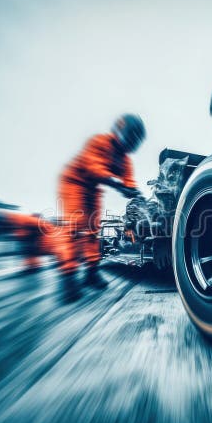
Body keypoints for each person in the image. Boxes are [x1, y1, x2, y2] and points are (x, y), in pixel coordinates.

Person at [55, 114, 144, 301]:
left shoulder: (125, 160)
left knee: (93, 230)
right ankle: (68, 276)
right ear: (122, 130)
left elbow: (128, 180)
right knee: (74, 228)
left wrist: (134, 192)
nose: (132, 143)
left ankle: (91, 273)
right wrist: (116, 183)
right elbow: (92, 167)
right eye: (131, 137)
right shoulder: (99, 142)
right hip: (73, 182)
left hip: (93, 189)